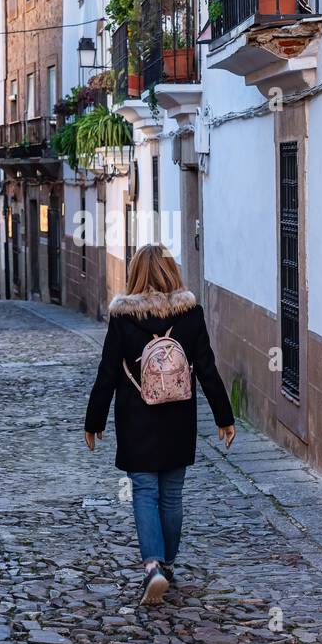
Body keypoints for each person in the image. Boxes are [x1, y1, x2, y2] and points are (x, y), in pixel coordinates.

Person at [84, 244, 236, 606]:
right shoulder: (191, 314)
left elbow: (107, 373)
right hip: (178, 418)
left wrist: (94, 420)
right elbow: (208, 370)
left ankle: (152, 566)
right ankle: (166, 565)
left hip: (137, 419)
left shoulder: (123, 319)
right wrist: (224, 417)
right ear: (172, 272)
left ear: (136, 274)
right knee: (171, 493)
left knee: (144, 490)